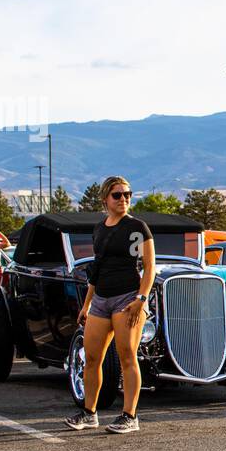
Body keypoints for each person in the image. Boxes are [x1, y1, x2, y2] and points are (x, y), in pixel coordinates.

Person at [65, 176, 156, 433]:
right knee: (92, 357)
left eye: (127, 194)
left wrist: (141, 299)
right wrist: (87, 304)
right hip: (101, 300)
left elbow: (149, 268)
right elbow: (97, 268)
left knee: (127, 355)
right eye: (117, 195)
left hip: (127, 298)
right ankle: (89, 412)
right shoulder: (100, 228)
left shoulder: (137, 227)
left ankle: (130, 416)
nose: (124, 199)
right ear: (105, 198)